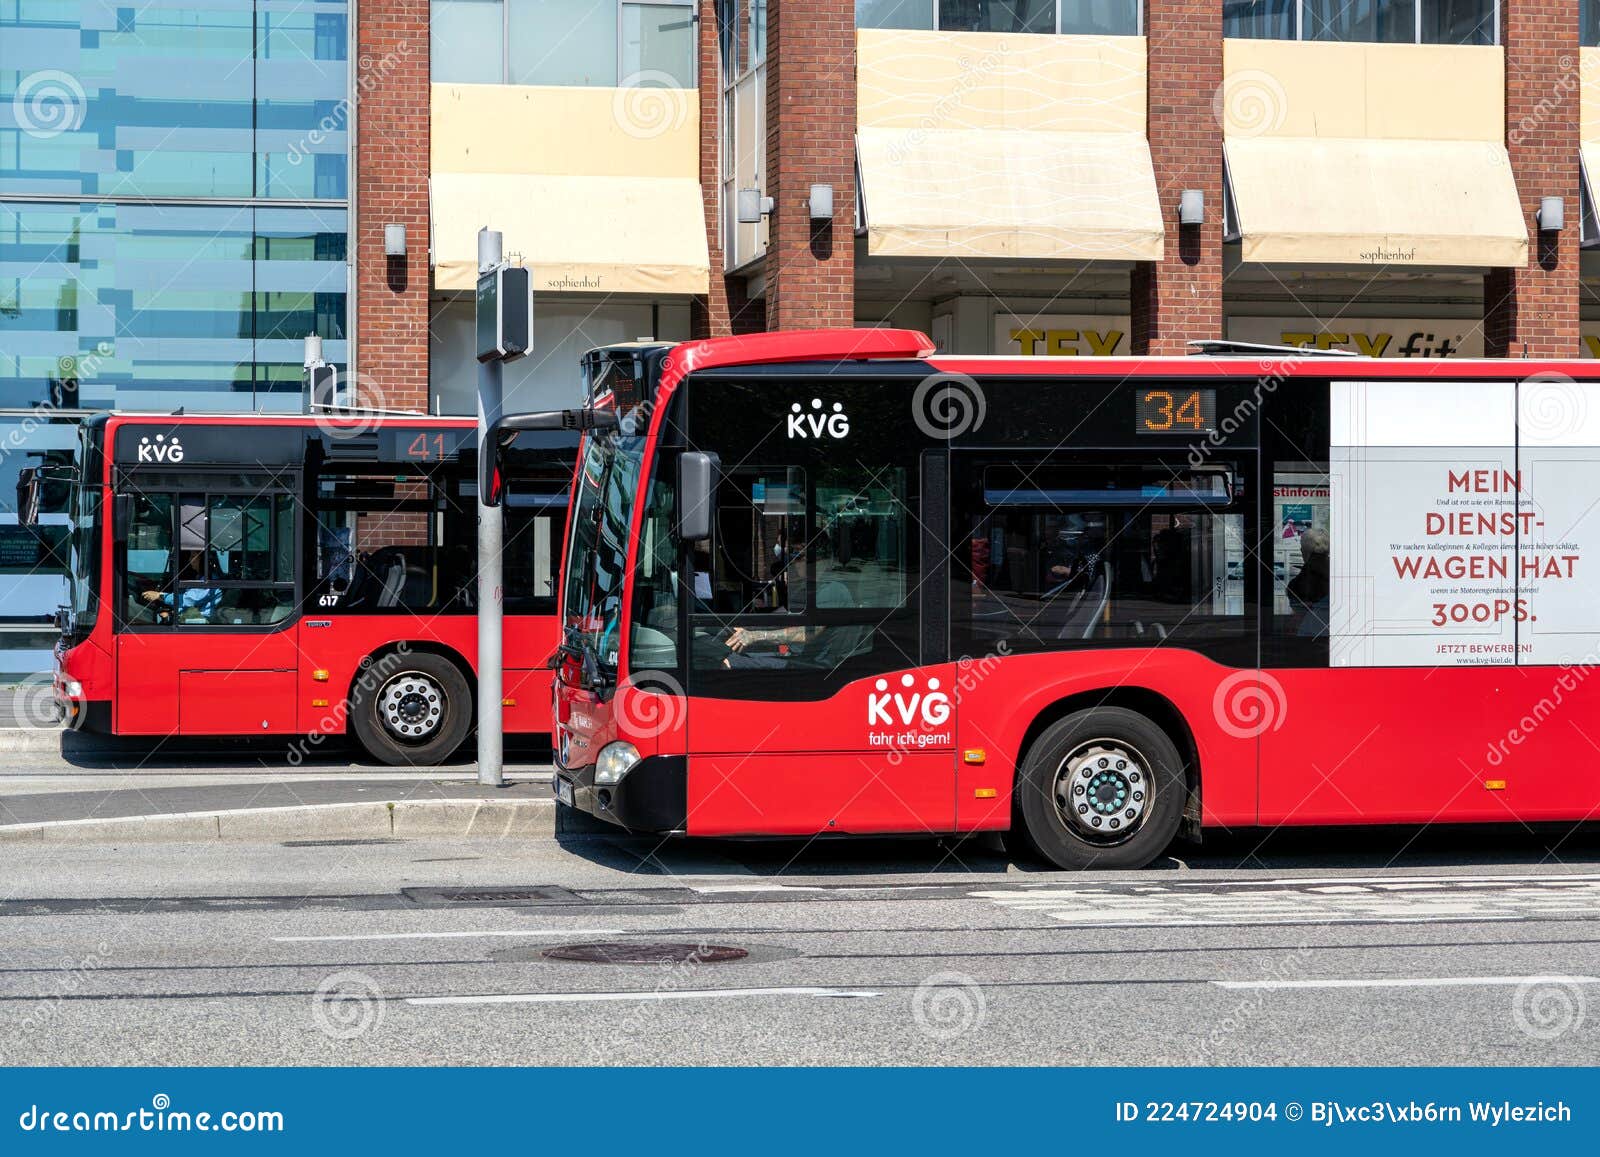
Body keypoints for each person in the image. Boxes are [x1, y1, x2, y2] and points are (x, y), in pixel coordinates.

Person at [1286, 527, 1330, 638]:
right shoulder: (1340, 576)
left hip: (1309, 637)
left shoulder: (1296, 585)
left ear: (1303, 552)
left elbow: (1299, 617)